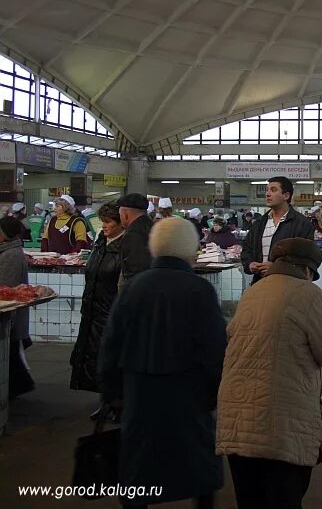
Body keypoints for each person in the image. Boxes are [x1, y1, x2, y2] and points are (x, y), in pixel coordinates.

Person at [98, 218, 227, 508]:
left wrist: (111, 391)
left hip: (139, 390)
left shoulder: (134, 287)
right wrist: (214, 390)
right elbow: (214, 347)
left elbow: (111, 343)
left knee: (139, 462)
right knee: (197, 461)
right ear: (189, 247)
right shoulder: (199, 290)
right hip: (189, 392)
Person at [217, 238, 322, 509]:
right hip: (282, 416)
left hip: (238, 415)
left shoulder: (253, 292)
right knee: (284, 497)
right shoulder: (308, 294)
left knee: (250, 498)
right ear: (307, 271)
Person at [70, 203, 124, 408]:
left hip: (109, 312)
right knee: (93, 358)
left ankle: (114, 402)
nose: (104, 226)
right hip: (93, 310)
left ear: (121, 224)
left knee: (108, 361)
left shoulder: (125, 248)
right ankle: (106, 401)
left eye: (108, 222)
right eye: (103, 221)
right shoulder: (100, 244)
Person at [241, 177, 315, 285]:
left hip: (290, 286)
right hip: (260, 283)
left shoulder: (302, 224)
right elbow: (247, 249)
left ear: (286, 195)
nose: (267, 194)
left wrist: (277, 268)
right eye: (267, 190)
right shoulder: (259, 224)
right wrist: (250, 264)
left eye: (273, 190)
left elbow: (305, 259)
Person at [0, 216, 34, 398]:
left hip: (9, 315)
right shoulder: (8, 251)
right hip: (10, 315)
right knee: (12, 356)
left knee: (11, 354)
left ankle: (18, 387)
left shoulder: (11, 254)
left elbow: (6, 288)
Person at [117, 193, 153, 290]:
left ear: (125, 214)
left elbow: (134, 270)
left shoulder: (133, 233)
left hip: (138, 290)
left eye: (120, 214)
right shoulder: (152, 226)